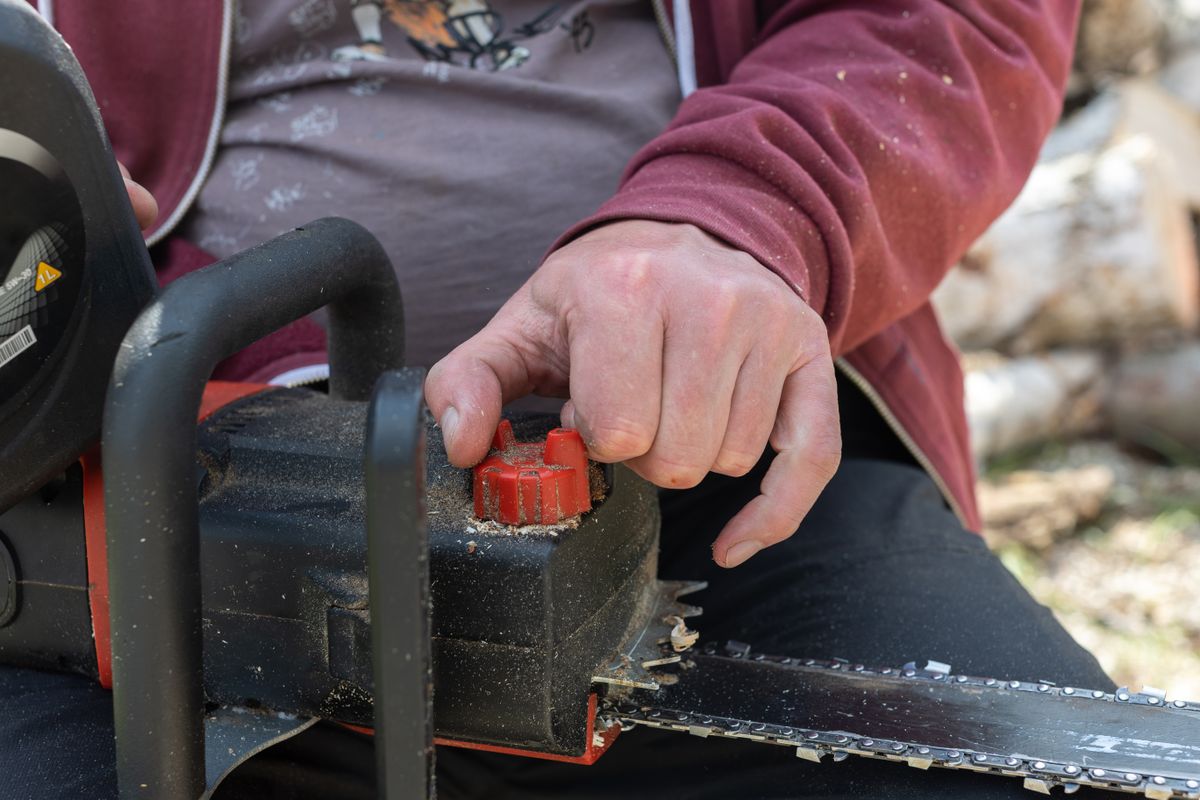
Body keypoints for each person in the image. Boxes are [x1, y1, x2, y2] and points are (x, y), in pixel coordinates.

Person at [2, 1, 1119, 798]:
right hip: (140, 480)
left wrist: (739, 210)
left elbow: (956, 22)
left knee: (1017, 771)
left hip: (714, 470)